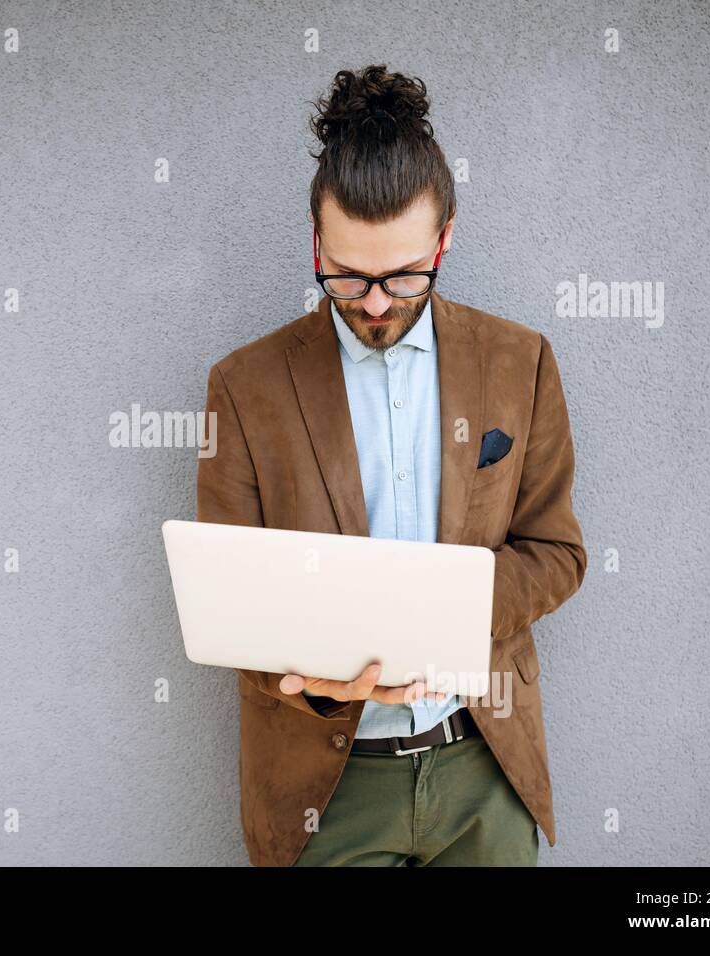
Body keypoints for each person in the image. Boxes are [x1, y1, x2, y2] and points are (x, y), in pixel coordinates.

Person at [195, 64, 587, 866]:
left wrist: (444, 611)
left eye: (404, 275)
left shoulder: (523, 362)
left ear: (445, 240)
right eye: (346, 275)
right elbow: (226, 600)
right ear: (315, 242)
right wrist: (310, 681)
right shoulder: (242, 387)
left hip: (486, 771)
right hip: (323, 794)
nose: (375, 301)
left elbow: (557, 554)